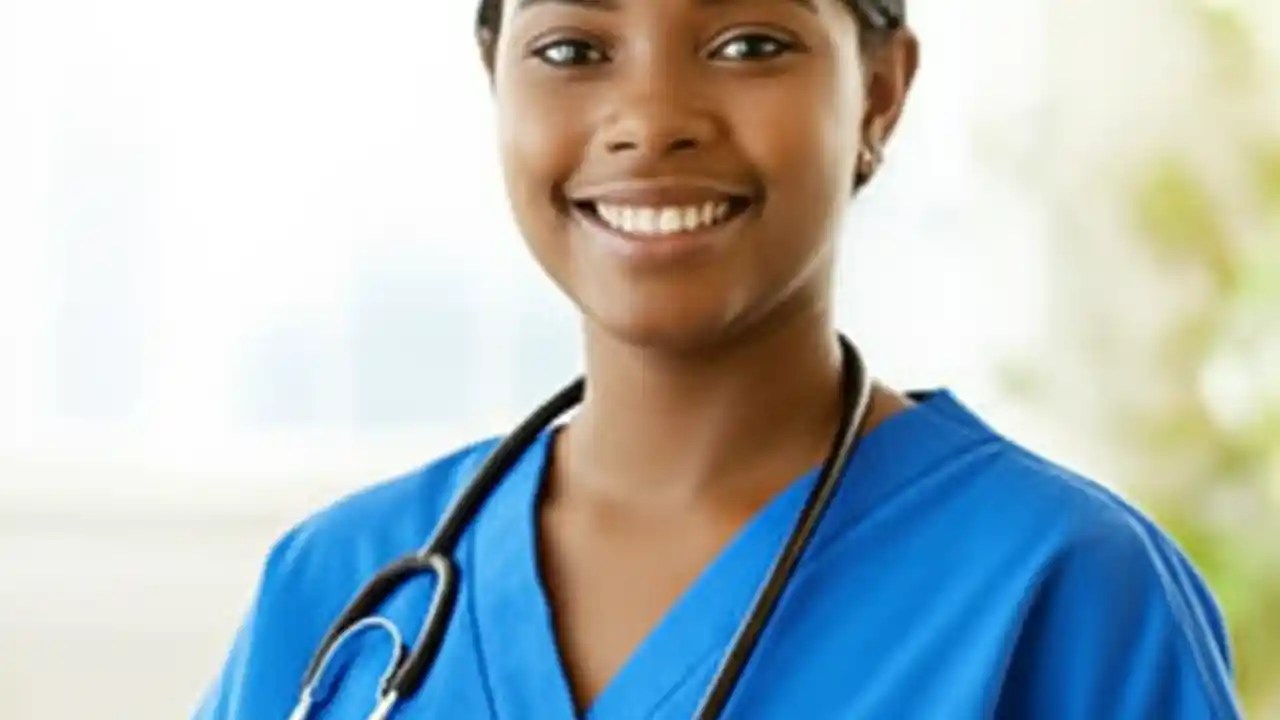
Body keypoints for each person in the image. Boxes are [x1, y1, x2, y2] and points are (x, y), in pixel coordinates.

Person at [195, 0, 1242, 717]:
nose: (651, 122)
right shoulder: (339, 588)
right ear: (494, 83)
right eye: (571, 49)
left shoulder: (1059, 586)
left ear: (878, 94)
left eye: (746, 43)